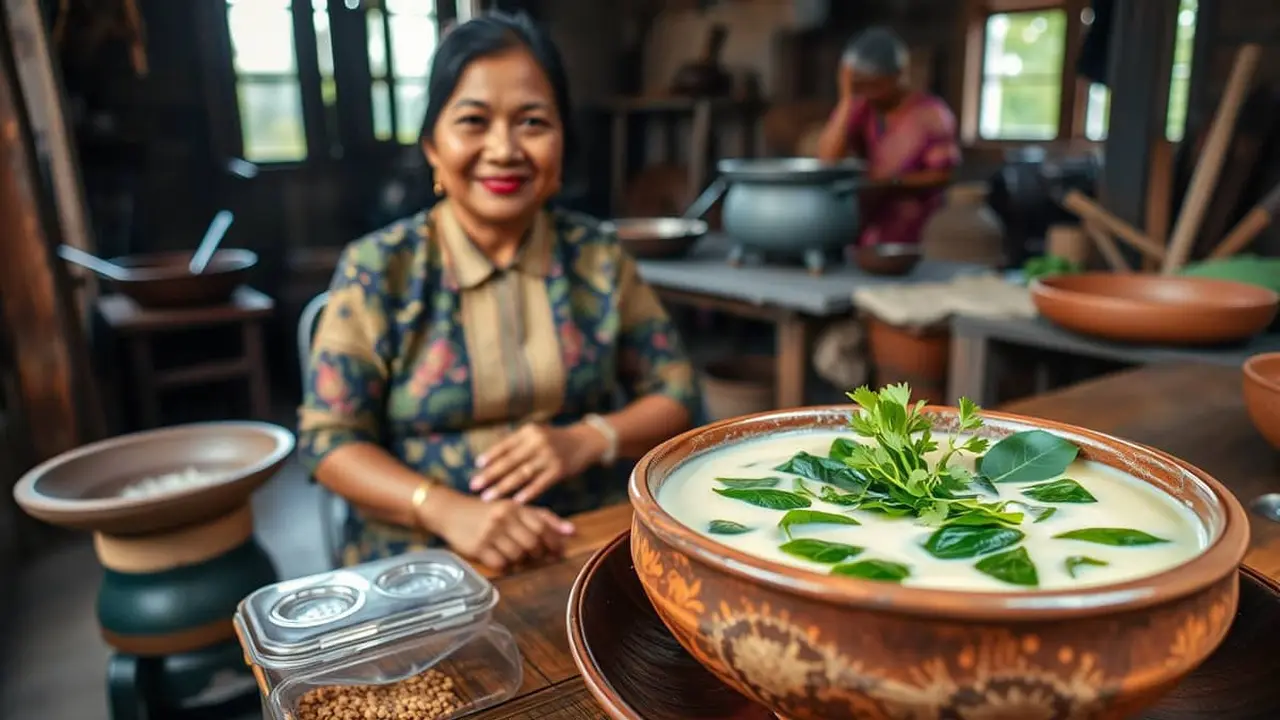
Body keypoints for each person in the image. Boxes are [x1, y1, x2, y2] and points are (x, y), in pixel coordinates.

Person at [298, 12, 700, 571]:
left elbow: (678, 395)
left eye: (532, 122)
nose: (504, 149)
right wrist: (442, 509)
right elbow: (329, 442)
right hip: (419, 559)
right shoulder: (380, 269)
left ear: (562, 142)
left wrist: (589, 439)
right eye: (473, 121)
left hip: (582, 541)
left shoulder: (598, 258)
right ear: (433, 146)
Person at [815, 26, 961, 248]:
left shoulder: (932, 115)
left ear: (900, 74)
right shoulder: (861, 107)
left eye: (876, 85)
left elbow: (942, 174)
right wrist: (846, 99)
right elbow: (827, 159)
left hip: (917, 230)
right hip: (866, 228)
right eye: (861, 85)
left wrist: (888, 183)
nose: (869, 93)